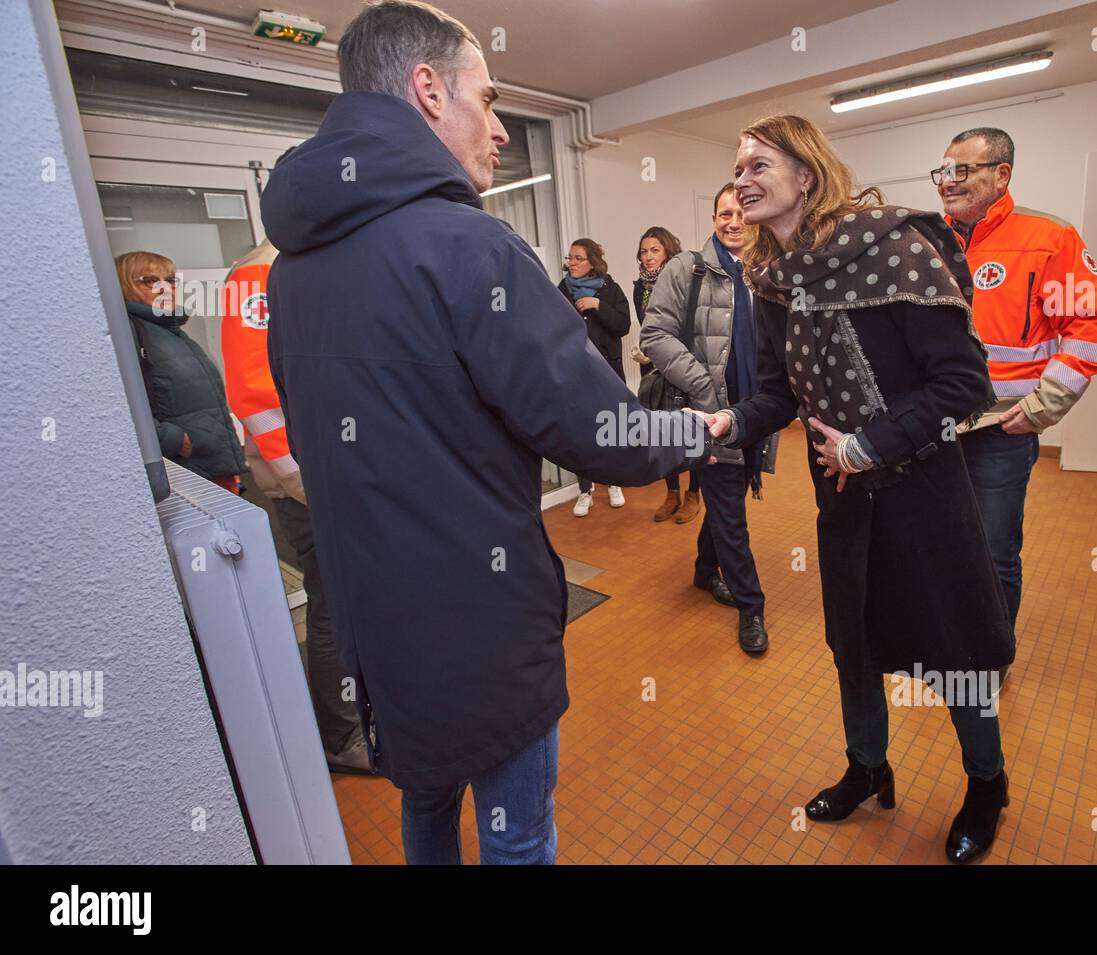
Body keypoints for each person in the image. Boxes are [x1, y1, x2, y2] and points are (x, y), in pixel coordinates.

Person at [260, 0, 705, 865]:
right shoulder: (470, 246)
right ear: (428, 90)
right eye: (490, 100)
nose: (500, 130)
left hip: (373, 615)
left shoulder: (292, 270)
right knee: (516, 835)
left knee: (426, 803)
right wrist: (694, 428)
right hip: (478, 618)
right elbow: (600, 432)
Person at [696, 114, 1015, 863]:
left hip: (923, 492)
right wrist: (728, 421)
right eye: (736, 167)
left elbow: (964, 383)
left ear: (806, 173)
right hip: (842, 496)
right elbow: (778, 394)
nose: (740, 179)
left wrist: (868, 445)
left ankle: (987, 783)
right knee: (855, 643)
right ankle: (868, 766)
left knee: (954, 650)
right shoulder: (771, 279)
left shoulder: (894, 249)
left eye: (756, 164)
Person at [934, 128, 1097, 673]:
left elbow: (1093, 323)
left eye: (962, 171)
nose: (948, 182)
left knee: (993, 550)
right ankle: (947, 641)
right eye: (943, 172)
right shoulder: (925, 240)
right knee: (941, 541)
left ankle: (989, 657)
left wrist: (1044, 406)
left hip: (1000, 431)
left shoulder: (1048, 237)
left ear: (1002, 175)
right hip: (933, 428)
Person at [220, 220, 372, 776]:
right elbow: (257, 397)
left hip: (336, 479)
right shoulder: (258, 275)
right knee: (332, 608)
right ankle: (341, 736)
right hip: (309, 489)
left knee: (353, 604)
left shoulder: (305, 267)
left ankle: (361, 712)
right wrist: (311, 486)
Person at [642, 184, 770, 654]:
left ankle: (702, 572)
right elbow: (654, 333)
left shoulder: (764, 272)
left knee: (727, 497)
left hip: (753, 412)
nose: (733, 221)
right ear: (713, 218)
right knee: (731, 511)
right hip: (708, 413)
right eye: (723, 213)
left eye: (741, 213)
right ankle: (751, 607)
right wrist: (703, 387)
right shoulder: (686, 268)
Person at [116, 250, 246, 493]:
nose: (165, 288)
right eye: (150, 281)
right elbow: (117, 403)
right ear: (123, 285)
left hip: (212, 468)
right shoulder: (130, 332)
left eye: (171, 280)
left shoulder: (169, 330)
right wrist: (171, 439)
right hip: (185, 474)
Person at [630, 227, 701, 524]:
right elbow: (647, 327)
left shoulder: (683, 280)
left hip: (683, 364)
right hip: (654, 369)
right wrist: (649, 352)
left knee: (694, 426)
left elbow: (692, 327)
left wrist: (665, 352)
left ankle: (693, 494)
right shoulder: (640, 288)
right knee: (664, 431)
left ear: (669, 252)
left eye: (654, 250)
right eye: (644, 251)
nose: (648, 257)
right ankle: (671, 492)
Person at [558, 238, 631, 517]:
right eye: (570, 258)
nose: (572, 263)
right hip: (576, 371)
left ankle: (613, 482)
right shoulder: (562, 289)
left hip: (608, 370)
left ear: (593, 262)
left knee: (611, 427)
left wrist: (598, 305)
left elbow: (623, 325)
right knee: (581, 431)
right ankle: (585, 490)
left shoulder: (610, 289)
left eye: (578, 258)